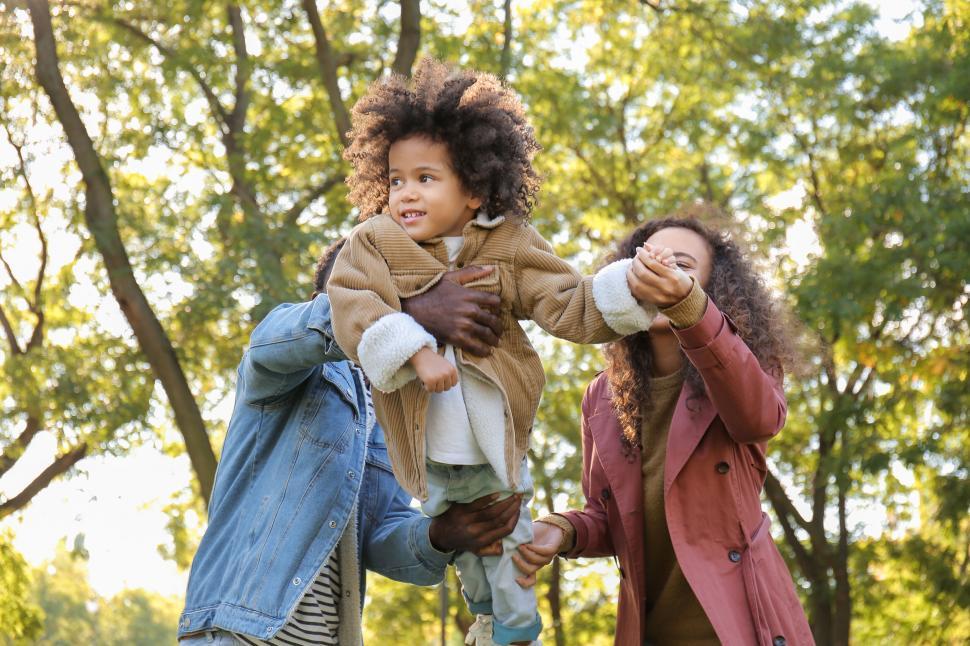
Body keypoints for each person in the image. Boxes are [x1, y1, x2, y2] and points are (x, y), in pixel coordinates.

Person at [326, 58, 667, 646]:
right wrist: (418, 351)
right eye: (397, 178)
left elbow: (567, 302)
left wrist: (628, 290)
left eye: (426, 178)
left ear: (475, 186)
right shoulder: (373, 244)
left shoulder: (506, 244)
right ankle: (485, 620)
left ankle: (516, 631)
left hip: (492, 439)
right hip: (427, 449)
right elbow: (354, 306)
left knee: (508, 537)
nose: (406, 192)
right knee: (468, 551)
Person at [177, 238, 522, 646]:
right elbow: (270, 344)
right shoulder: (288, 360)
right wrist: (402, 313)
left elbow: (378, 532)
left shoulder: (397, 404)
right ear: (321, 299)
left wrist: (441, 535)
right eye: (368, 289)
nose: (387, 302)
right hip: (239, 631)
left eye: (399, 287)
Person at [513, 211, 815, 646]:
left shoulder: (743, 368)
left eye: (682, 265)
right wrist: (562, 530)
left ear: (712, 290)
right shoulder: (602, 397)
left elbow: (757, 419)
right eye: (646, 261)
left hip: (745, 625)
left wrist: (689, 310)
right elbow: (609, 516)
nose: (660, 271)